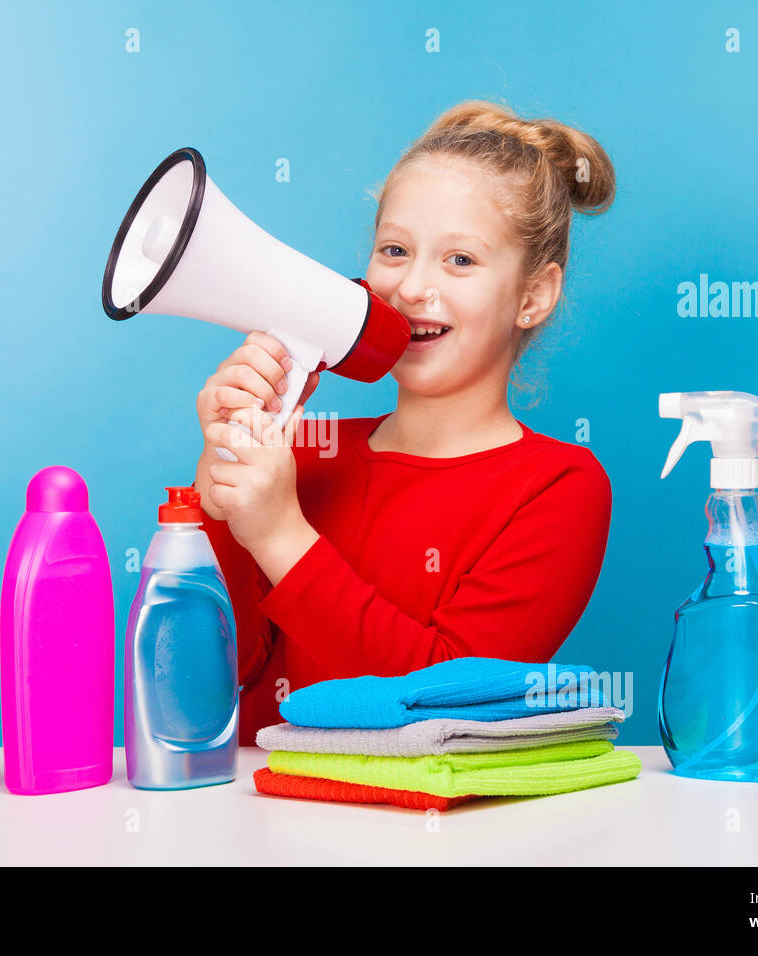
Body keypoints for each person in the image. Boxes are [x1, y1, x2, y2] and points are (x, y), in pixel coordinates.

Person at [191, 99, 617, 744]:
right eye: (395, 249)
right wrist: (219, 496)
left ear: (533, 296)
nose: (412, 286)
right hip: (260, 823)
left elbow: (440, 706)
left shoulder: (560, 485)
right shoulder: (305, 450)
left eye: (461, 260)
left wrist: (279, 533)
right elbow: (215, 677)